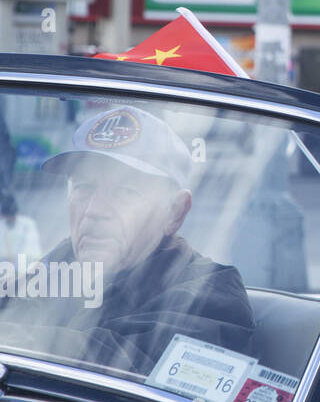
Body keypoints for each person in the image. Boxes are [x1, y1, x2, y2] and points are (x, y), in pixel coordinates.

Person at [0, 106, 254, 376]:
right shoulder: (66, 260)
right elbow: (13, 302)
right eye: (83, 188)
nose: (94, 210)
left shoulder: (212, 296)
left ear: (175, 212)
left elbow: (117, 359)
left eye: (126, 191)